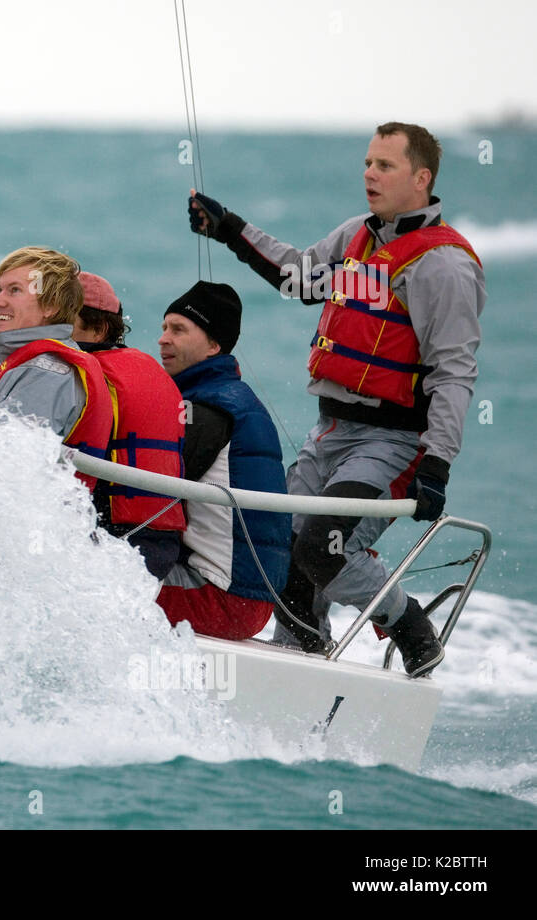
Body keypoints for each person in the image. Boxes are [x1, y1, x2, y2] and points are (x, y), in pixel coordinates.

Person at [188, 121, 486, 677]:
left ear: (421, 179)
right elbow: (296, 278)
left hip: (394, 442)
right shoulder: (357, 235)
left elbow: (455, 372)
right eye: (368, 163)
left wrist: (438, 465)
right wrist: (228, 229)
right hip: (330, 431)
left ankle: (411, 626)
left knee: (324, 549)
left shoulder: (443, 265)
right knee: (284, 539)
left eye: (385, 166)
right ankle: (302, 655)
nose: (369, 174)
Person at [156, 281, 292, 640]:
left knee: (87, 572)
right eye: (164, 328)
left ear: (214, 345)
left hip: (219, 599)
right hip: (248, 600)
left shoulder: (206, 410)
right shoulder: (229, 397)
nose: (163, 339)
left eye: (178, 330)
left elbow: (146, 487)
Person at [0, 247, 118, 505]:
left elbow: (8, 471)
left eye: (15, 290)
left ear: (51, 306)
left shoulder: (44, 374)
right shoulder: (40, 366)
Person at [71, 272, 186, 578]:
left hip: (114, 539)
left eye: (63, 324)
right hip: (161, 547)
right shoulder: (154, 372)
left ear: (99, 329)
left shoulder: (87, 374)